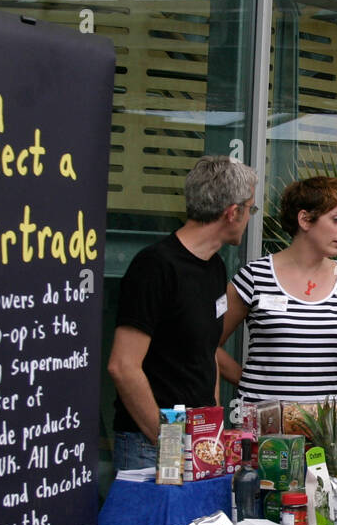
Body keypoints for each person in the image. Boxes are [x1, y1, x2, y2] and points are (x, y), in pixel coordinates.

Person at [107, 156, 257, 470]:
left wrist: (213, 423)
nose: (249, 218)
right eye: (251, 209)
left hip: (200, 441)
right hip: (150, 444)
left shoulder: (215, 267)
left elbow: (206, 353)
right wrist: (165, 444)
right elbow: (123, 366)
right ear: (233, 212)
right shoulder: (155, 266)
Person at [218, 175, 337, 403]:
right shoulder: (255, 276)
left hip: (325, 431)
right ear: (305, 220)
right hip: (264, 432)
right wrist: (247, 382)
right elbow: (207, 345)